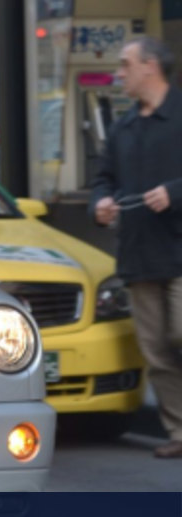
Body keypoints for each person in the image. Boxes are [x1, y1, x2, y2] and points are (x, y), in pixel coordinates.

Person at [91, 36, 182, 458]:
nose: (119, 73)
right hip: (140, 253)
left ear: (150, 66)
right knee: (158, 351)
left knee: (180, 336)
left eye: (125, 64)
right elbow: (103, 178)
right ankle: (180, 433)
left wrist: (174, 192)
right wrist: (101, 203)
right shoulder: (123, 127)